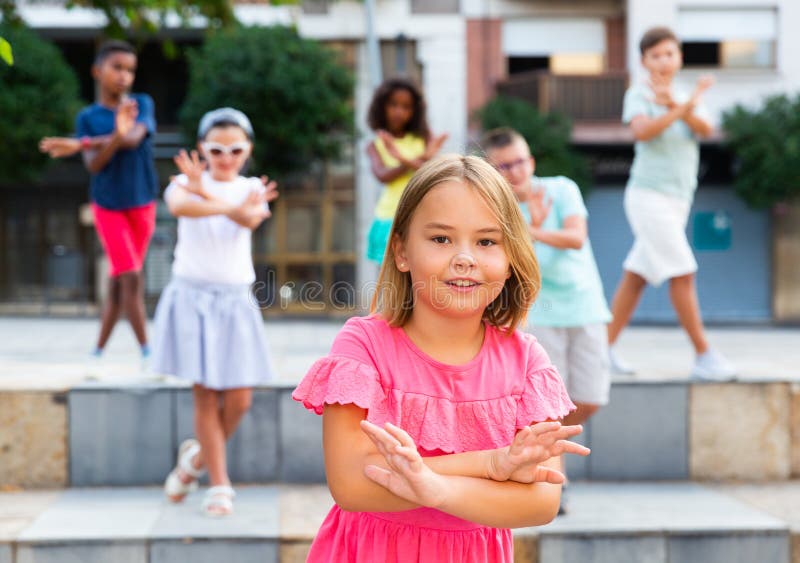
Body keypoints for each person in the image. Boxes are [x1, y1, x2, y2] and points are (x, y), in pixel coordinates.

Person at [293, 154, 590, 562]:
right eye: (441, 239)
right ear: (401, 251)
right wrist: (492, 465)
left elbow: (540, 501)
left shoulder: (527, 363)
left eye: (486, 241)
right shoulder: (364, 346)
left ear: (510, 260)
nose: (464, 258)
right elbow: (352, 486)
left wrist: (436, 488)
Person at [153, 107, 278, 517]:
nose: (226, 157)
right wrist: (213, 199)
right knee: (205, 394)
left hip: (235, 300)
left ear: (248, 150)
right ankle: (220, 484)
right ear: (202, 148)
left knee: (240, 399)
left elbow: (251, 219)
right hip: (192, 297)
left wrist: (206, 196)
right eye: (217, 149)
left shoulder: (252, 187)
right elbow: (180, 207)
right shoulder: (182, 183)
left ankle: (194, 461)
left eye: (235, 149)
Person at [483, 127, 611, 514]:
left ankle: (535, 451)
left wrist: (531, 230)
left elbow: (576, 237)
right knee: (547, 406)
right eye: (504, 166)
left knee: (590, 398)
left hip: (585, 305)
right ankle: (556, 479)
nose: (515, 172)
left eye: (519, 162)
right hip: (538, 313)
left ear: (531, 161)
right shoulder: (495, 208)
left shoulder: (561, 189)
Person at [608, 26, 736, 380]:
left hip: (679, 199)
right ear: (644, 61)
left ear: (679, 57)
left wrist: (678, 104)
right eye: (656, 55)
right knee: (682, 272)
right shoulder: (639, 94)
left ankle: (600, 349)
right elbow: (642, 131)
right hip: (648, 197)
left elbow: (705, 130)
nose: (664, 60)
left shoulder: (683, 95)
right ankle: (704, 355)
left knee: (637, 277)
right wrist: (675, 109)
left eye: (669, 53)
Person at [39, 40, 158, 366]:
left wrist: (81, 144)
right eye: (117, 67)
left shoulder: (141, 104)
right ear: (97, 71)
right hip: (108, 206)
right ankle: (148, 352)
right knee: (131, 276)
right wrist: (113, 136)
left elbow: (134, 138)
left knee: (119, 282)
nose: (124, 76)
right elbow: (95, 165)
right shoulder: (88, 117)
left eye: (130, 70)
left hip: (143, 202)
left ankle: (98, 352)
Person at [365, 77, 448, 263]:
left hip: (423, 213)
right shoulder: (375, 144)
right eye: (393, 105)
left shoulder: (424, 137)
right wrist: (419, 159)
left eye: (406, 107)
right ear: (382, 106)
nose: (399, 112)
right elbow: (382, 175)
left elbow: (434, 173)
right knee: (388, 273)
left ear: (415, 111)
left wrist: (402, 158)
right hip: (389, 215)